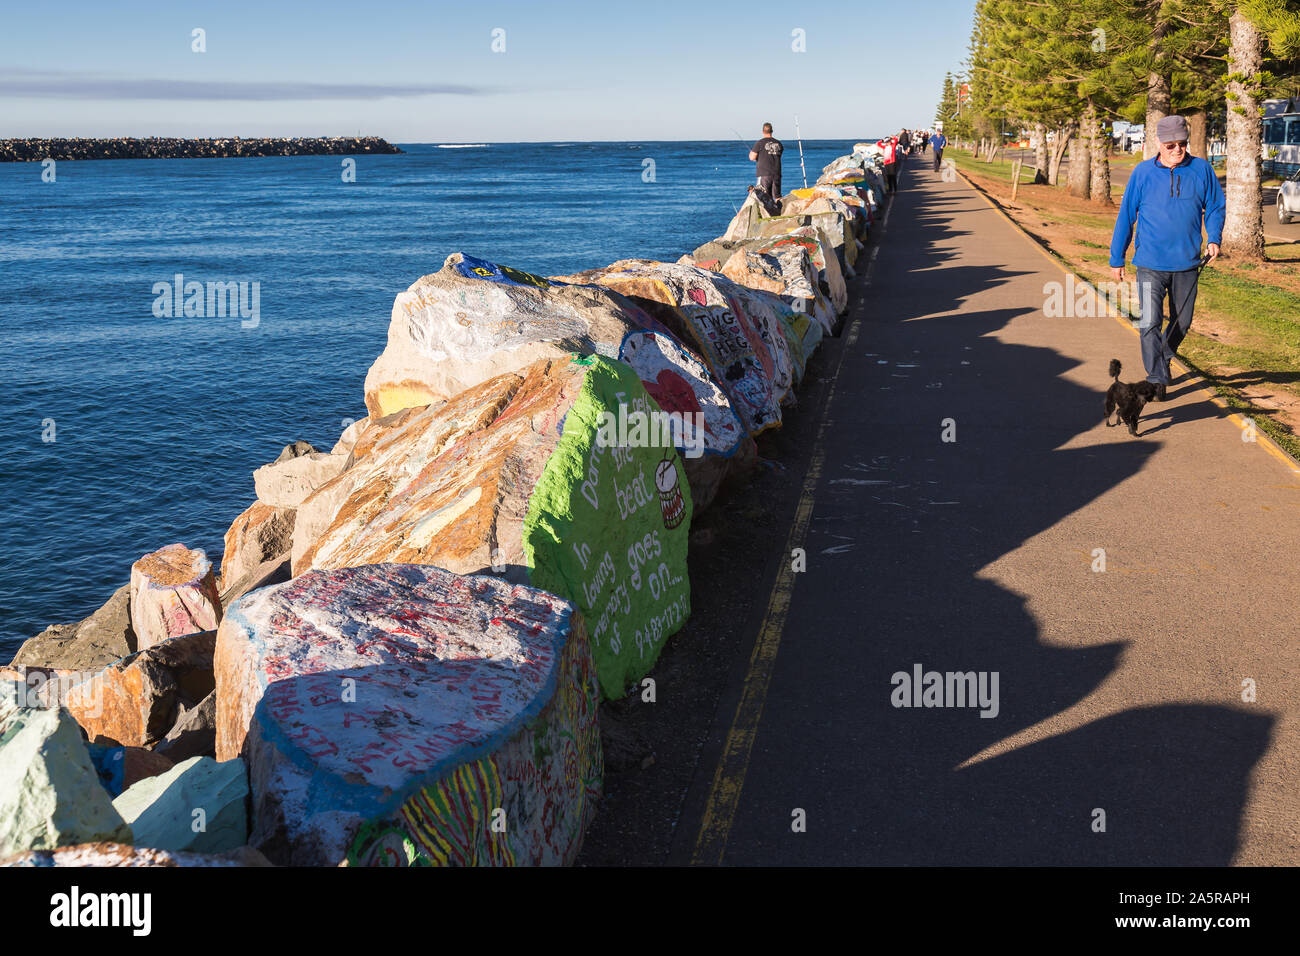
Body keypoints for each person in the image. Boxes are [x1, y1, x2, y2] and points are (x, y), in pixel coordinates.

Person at [1109, 114, 1226, 401]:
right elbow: (1126, 216)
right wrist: (1117, 258)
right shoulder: (1142, 173)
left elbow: (1215, 207)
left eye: (1182, 143)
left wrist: (1213, 238)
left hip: (1187, 262)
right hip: (1149, 262)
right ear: (1159, 143)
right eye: (1171, 144)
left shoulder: (1201, 169)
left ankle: (1162, 359)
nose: (1178, 150)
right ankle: (1157, 378)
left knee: (1182, 322)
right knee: (1149, 322)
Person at [748, 123, 784, 203]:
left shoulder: (760, 143)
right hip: (777, 173)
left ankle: (767, 214)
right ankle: (781, 211)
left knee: (764, 196)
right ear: (772, 131)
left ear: (763, 131)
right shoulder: (779, 144)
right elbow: (778, 155)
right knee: (777, 196)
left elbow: (752, 157)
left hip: (764, 174)